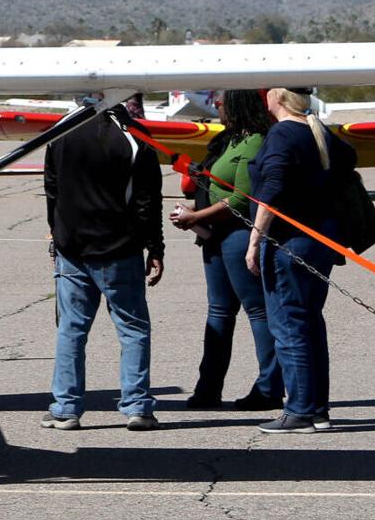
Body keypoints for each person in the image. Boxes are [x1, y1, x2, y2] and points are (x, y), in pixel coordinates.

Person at [42, 101, 165, 431]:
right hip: (119, 247)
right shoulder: (134, 134)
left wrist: (56, 233)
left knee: (71, 329)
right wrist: (155, 246)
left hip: (72, 246)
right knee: (133, 327)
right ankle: (137, 406)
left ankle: (66, 407)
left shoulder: (61, 131)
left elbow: (52, 189)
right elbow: (148, 197)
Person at [244, 87, 356, 434]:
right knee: (309, 323)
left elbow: (272, 189)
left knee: (289, 326)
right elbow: (348, 159)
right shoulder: (317, 130)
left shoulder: (282, 134)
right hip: (318, 242)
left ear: (277, 97)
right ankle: (316, 409)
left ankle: (300, 412)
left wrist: (254, 239)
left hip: (290, 244)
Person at [169, 89, 283, 410]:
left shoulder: (256, 142)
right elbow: (218, 189)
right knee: (219, 312)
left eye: (220, 102)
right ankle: (208, 388)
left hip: (238, 235)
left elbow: (241, 200)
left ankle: (269, 389)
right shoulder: (230, 140)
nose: (216, 107)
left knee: (257, 311)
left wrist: (195, 217)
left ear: (236, 105)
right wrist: (193, 210)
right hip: (215, 236)